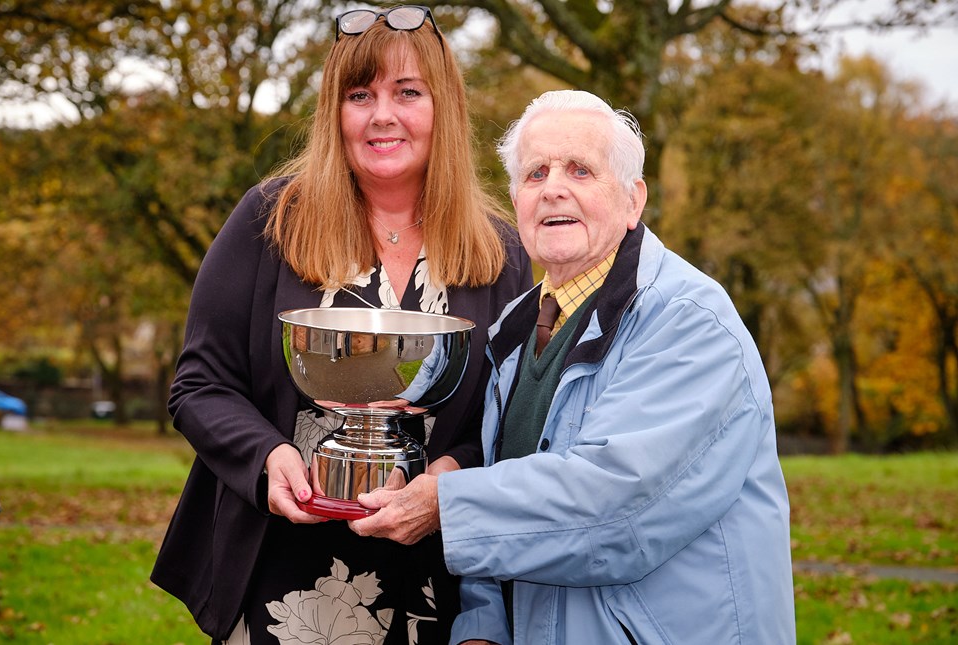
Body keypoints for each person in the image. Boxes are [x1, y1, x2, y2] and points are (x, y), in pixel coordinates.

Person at [350, 90, 797, 644]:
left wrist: (445, 504)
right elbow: (504, 483)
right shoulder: (514, 330)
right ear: (516, 200)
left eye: (580, 170)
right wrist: (482, 627)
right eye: (535, 173)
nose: (553, 187)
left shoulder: (689, 323)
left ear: (633, 200)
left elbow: (615, 508)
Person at [151, 5, 533, 644]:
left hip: (438, 581)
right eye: (361, 95)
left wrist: (450, 479)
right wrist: (266, 457)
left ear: (444, 109)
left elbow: (513, 417)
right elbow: (200, 384)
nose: (383, 114)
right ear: (336, 112)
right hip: (282, 578)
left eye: (407, 92)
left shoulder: (499, 252)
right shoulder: (270, 220)